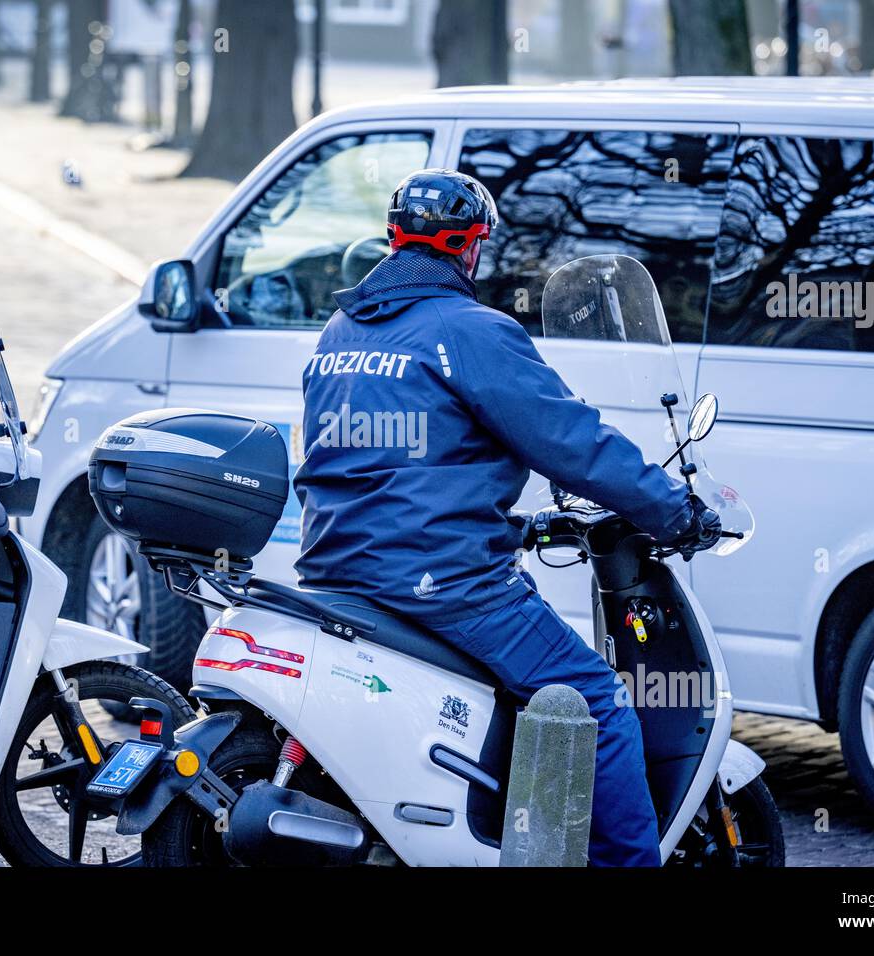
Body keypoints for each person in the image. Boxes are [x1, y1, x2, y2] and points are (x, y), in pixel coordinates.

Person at [293, 168, 721, 866]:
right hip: (443, 584)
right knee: (598, 703)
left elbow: (382, 468)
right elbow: (573, 443)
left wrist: (513, 526)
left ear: (397, 239)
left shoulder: (341, 331)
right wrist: (676, 512)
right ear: (469, 248)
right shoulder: (471, 331)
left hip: (336, 572)